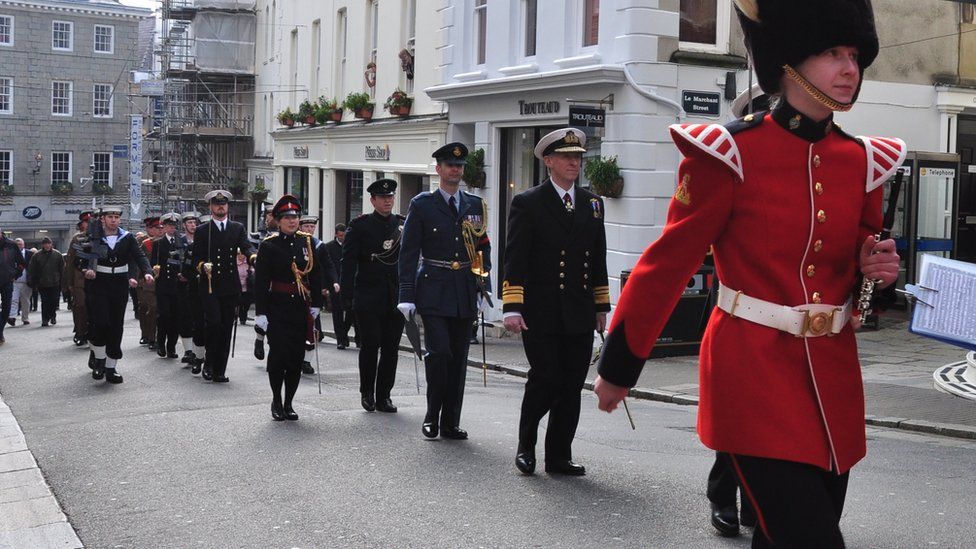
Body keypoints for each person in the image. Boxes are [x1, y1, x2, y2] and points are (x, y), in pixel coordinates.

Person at [593, 1, 903, 546]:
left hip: (831, 386)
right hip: (752, 376)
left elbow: (859, 276)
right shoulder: (730, 152)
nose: (851, 68)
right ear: (788, 62)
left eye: (854, 54)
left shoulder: (861, 160)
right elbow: (668, 264)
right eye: (833, 53)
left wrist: (874, 269)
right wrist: (620, 364)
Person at [501, 127, 610, 476]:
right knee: (546, 378)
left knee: (571, 384)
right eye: (566, 157)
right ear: (549, 161)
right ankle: (526, 445)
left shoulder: (593, 203)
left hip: (578, 311)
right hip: (541, 311)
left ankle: (559, 455)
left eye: (578, 157)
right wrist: (512, 308)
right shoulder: (529, 202)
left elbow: (598, 258)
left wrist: (600, 306)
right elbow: (515, 258)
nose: (574, 163)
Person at [398, 143, 491, 439]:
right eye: (450, 165)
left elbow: (481, 248)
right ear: (438, 169)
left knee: (459, 358)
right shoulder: (423, 204)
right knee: (439, 355)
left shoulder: (474, 205)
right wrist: (406, 295)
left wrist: (483, 285)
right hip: (433, 288)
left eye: (459, 166)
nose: (456, 170)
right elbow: (409, 252)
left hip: (463, 289)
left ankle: (451, 421)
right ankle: (431, 415)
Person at [253, 195, 323, 420]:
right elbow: (262, 281)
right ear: (278, 220)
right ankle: (276, 399)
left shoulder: (307, 242)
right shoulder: (269, 245)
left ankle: (289, 402)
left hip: (299, 307)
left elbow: (316, 273)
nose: (293, 221)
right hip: (277, 307)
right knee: (278, 356)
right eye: (287, 218)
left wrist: (317, 305)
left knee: (295, 357)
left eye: (295, 217)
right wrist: (261, 313)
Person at [341, 179, 405, 413]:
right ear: (373, 200)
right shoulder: (360, 225)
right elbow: (348, 262)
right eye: (382, 197)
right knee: (370, 346)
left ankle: (384, 395)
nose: (387, 201)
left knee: (391, 348)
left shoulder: (401, 225)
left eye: (390, 197)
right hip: (368, 295)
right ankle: (366, 391)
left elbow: (407, 261)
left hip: (394, 295)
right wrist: (346, 295)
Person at [192, 189, 255, 382]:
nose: (221, 207)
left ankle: (220, 369)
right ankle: (209, 363)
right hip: (210, 285)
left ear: (228, 207)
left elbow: (246, 245)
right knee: (214, 324)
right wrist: (203, 266)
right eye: (217, 204)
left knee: (226, 326)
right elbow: (196, 259)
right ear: (211, 207)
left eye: (224, 204)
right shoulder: (203, 230)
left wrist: (253, 256)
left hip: (230, 285)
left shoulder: (237, 228)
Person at [85, 206, 153, 383]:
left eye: (116, 217)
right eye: (110, 217)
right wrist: (87, 269)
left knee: (116, 325)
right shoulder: (94, 237)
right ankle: (99, 359)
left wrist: (147, 272)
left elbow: (139, 256)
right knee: (101, 323)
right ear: (103, 219)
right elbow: (82, 258)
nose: (113, 220)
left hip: (119, 284)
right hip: (99, 283)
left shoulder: (128, 237)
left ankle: (111, 366)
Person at [299, 215, 337, 373]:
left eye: (312, 227)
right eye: (307, 227)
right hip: (294, 290)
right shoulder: (295, 242)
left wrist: (334, 281)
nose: (309, 229)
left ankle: (307, 361)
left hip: (312, 292)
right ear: (301, 227)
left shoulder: (318, 246)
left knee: (312, 328)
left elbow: (328, 266)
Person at [152, 213, 186, 359]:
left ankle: (171, 347)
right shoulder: (158, 244)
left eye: (174, 226)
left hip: (177, 285)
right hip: (163, 285)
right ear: (164, 227)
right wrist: (155, 270)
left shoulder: (180, 243)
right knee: (164, 316)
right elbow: (153, 262)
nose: (172, 228)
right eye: (169, 226)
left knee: (176, 317)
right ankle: (160, 343)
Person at [250, 202, 277, 361]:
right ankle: (259, 339)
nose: (272, 218)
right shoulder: (256, 237)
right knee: (263, 312)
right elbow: (251, 252)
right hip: (261, 277)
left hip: (279, 279)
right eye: (269, 215)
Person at [179, 211, 206, 373]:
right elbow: (186, 269)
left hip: (213, 292)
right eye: (189, 223)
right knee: (193, 322)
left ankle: (205, 355)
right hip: (194, 289)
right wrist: (196, 275)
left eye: (195, 223)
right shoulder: (190, 246)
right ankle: (194, 353)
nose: (193, 226)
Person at [62, 212, 92, 345]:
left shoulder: (102, 236)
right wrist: (70, 283)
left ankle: (94, 332)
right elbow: (70, 262)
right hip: (80, 280)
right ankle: (81, 333)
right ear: (82, 224)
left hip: (99, 279)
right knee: (80, 307)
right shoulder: (77, 238)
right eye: (87, 222)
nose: (89, 224)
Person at [324, 223, 354, 349]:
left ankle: (344, 333)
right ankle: (340, 340)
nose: (343, 238)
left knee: (351, 311)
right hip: (334, 284)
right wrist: (326, 285)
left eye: (344, 235)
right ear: (336, 234)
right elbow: (326, 267)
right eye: (340, 235)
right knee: (337, 312)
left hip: (349, 284)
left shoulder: (351, 245)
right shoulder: (329, 247)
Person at [27, 237, 64, 327]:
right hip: (42, 283)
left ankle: (53, 316)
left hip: (55, 282)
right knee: (45, 301)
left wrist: (63, 281)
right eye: (45, 244)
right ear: (43, 245)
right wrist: (32, 280)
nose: (47, 245)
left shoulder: (57, 255)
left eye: (49, 243)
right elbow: (32, 269)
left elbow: (62, 268)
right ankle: (45, 319)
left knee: (54, 301)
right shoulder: (37, 255)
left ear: (51, 244)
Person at [0, 227, 27, 345]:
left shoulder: (11, 245)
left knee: (7, 308)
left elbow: (21, 263)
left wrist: (15, 274)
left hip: (7, 281)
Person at [136, 217, 160, 349]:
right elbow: (139, 263)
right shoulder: (145, 243)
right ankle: (148, 335)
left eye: (161, 228)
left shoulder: (165, 242)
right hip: (146, 282)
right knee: (148, 308)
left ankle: (154, 336)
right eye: (157, 228)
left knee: (155, 310)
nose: (159, 230)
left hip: (161, 281)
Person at [8, 238, 32, 328]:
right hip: (14, 281)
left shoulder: (30, 254)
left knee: (25, 301)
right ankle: (12, 317)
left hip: (26, 281)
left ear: (23, 245)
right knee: (14, 300)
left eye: (20, 244)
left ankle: (25, 318)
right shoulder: (11, 254)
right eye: (17, 244)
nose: (19, 246)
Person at [236, 252, 253, 325]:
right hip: (238, 287)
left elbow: (254, 270)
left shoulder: (249, 262)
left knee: (246, 303)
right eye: (239, 254)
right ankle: (242, 317)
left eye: (242, 254)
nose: (240, 255)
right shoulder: (234, 262)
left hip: (247, 287)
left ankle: (244, 314)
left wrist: (251, 272)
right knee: (239, 302)